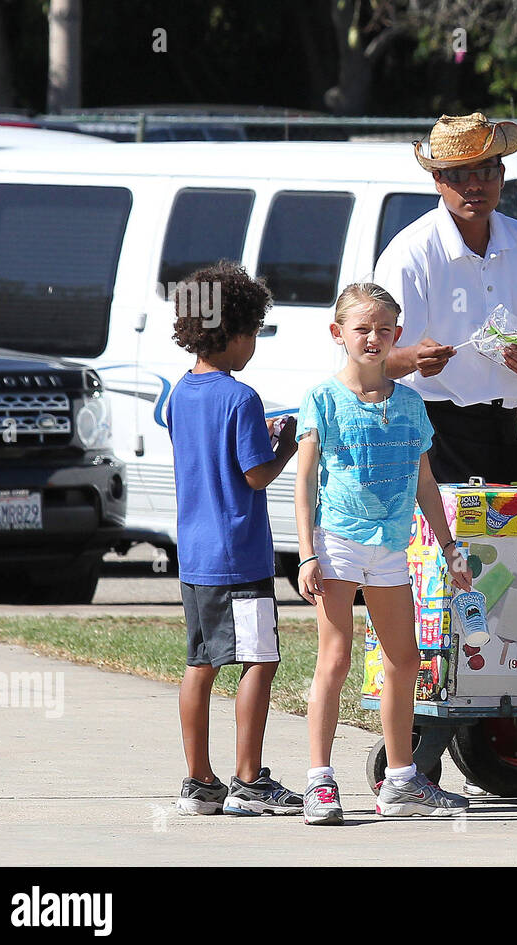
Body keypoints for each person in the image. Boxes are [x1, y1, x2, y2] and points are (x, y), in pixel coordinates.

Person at [294, 282, 473, 825]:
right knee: (337, 657)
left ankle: (401, 781)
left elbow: (425, 481)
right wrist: (307, 553)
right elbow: (304, 482)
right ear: (338, 333)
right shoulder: (323, 399)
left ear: (398, 333)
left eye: (385, 329)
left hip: (391, 547)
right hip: (338, 543)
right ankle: (319, 782)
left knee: (405, 659)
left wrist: (448, 545)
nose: (374, 338)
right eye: (362, 328)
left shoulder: (412, 404)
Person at [167, 261, 303, 817]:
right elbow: (254, 475)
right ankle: (249, 779)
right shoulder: (242, 397)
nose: (253, 347)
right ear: (233, 332)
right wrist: (286, 447)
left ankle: (199, 780)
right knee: (258, 660)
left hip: (196, 554)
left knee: (201, 662)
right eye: (252, 334)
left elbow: (209, 454)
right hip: (240, 551)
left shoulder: (178, 393)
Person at [374, 111, 517, 484]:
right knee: (443, 544)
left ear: (502, 175)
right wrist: (414, 358)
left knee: (510, 542)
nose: (474, 185)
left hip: (505, 428)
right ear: (438, 180)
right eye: (459, 175)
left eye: (485, 171)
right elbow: (371, 363)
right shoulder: (412, 251)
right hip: (430, 431)